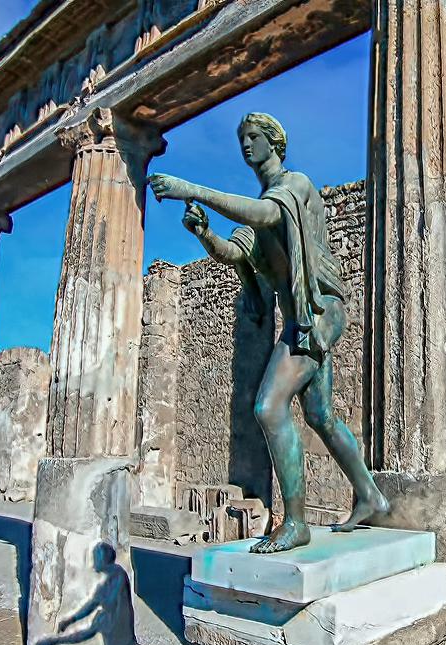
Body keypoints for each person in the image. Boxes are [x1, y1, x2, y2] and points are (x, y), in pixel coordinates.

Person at [147, 113, 389, 553]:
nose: (246, 145)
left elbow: (264, 213)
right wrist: (204, 233)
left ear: (275, 142)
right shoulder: (265, 206)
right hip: (302, 317)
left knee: (268, 405)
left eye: (254, 137)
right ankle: (370, 494)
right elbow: (234, 251)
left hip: (320, 310)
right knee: (320, 416)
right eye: (242, 138)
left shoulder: (293, 186)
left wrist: (192, 188)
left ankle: (296, 521)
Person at [35, 542, 139, 645]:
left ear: (103, 558)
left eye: (95, 557)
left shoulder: (117, 576)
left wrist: (55, 639)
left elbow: (93, 605)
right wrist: (68, 623)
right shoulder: (103, 616)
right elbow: (86, 623)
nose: (93, 564)